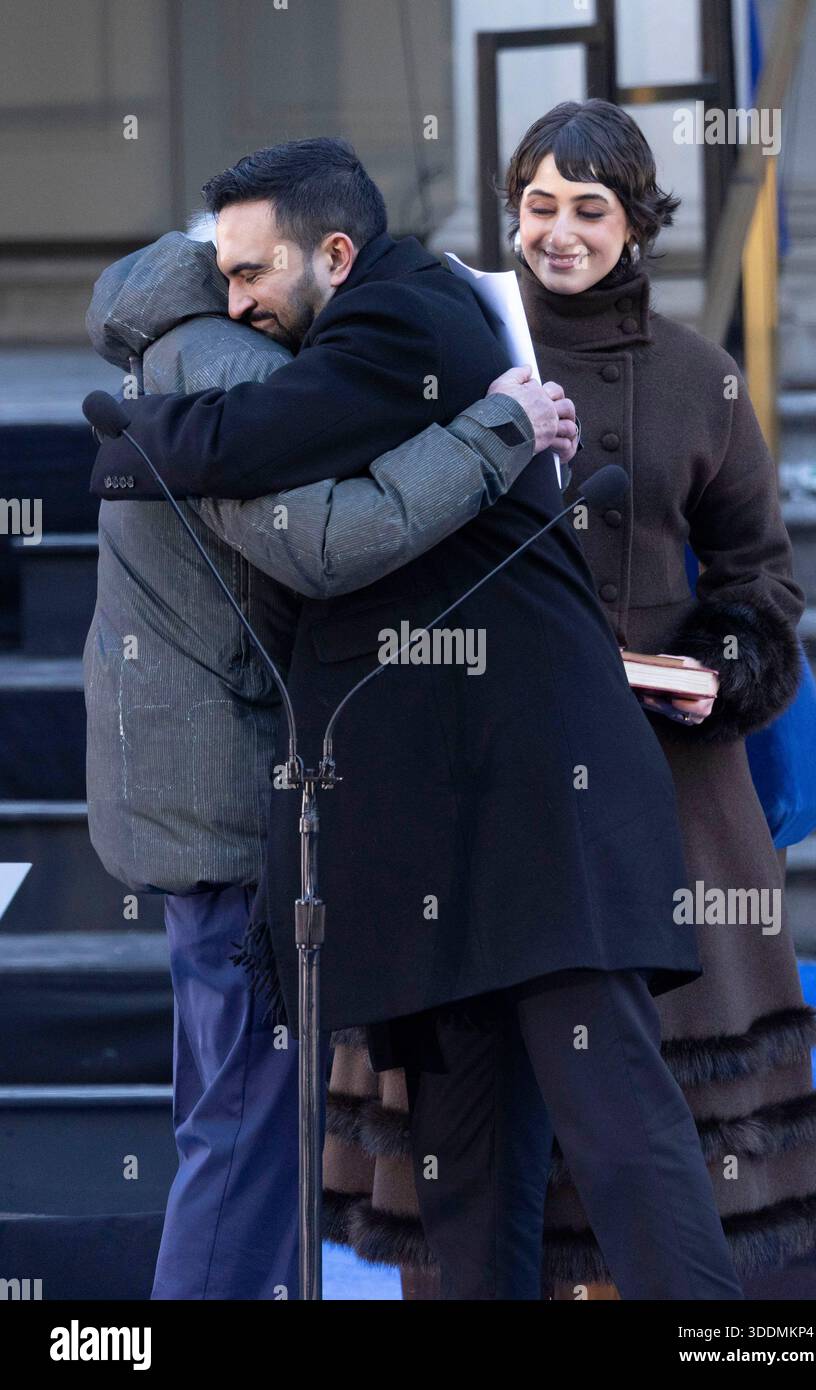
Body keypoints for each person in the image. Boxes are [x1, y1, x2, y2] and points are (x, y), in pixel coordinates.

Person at [90, 136, 745, 1300]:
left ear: (333, 255)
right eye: (223, 277)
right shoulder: (356, 329)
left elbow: (262, 457)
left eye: (252, 274)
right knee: (472, 1169)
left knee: (617, 1131)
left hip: (539, 797)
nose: (238, 301)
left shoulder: (408, 320)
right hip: (441, 812)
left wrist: (127, 433)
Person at [321, 102, 816, 1300]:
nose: (559, 233)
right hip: (477, 780)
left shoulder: (700, 376)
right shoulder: (449, 353)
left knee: (641, 1131)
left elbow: (762, 574)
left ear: (637, 222)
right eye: (540, 206)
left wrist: (717, 665)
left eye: (589, 209)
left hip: (662, 791)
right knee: (479, 1138)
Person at [84, 217, 573, 1300]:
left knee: (230, 1119)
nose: (263, 294)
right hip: (222, 792)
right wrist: (500, 430)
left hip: (186, 781)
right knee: (249, 1134)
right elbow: (328, 542)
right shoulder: (228, 366)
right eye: (249, 273)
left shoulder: (177, 339)